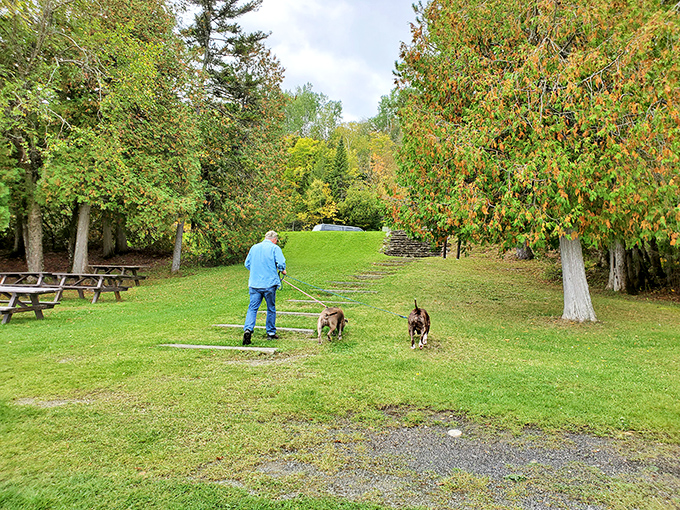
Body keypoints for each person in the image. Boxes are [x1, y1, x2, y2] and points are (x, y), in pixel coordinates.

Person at [242, 230, 287, 345]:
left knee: (252, 308)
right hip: (269, 284)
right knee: (270, 308)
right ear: (274, 240)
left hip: (254, 284)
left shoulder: (254, 248)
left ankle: (248, 329)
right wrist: (282, 270)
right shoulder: (275, 248)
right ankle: (271, 333)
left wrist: (257, 271)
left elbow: (247, 264)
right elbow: (281, 263)